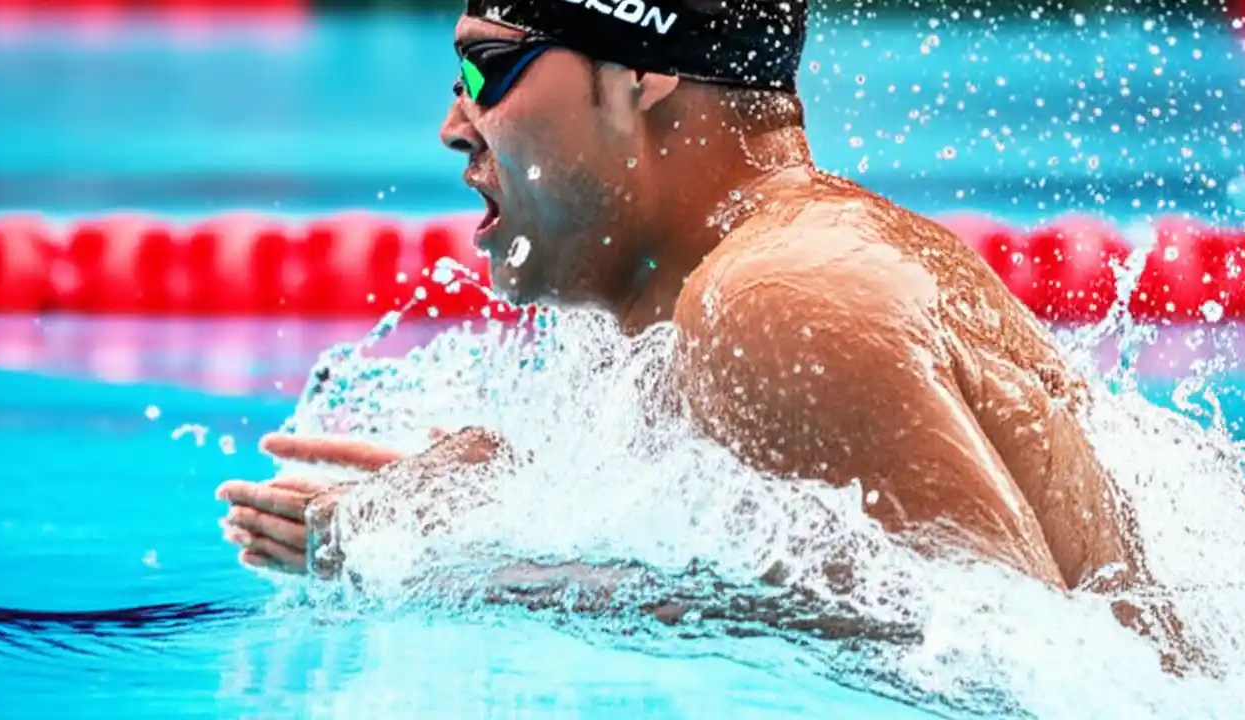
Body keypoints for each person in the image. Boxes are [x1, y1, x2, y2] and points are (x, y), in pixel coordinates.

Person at [217, 0, 1191, 668]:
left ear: (639, 71)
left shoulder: (778, 298)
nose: (453, 124)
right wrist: (507, 509)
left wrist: (456, 562)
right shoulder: (782, 267)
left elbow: (994, 668)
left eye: (487, 66)